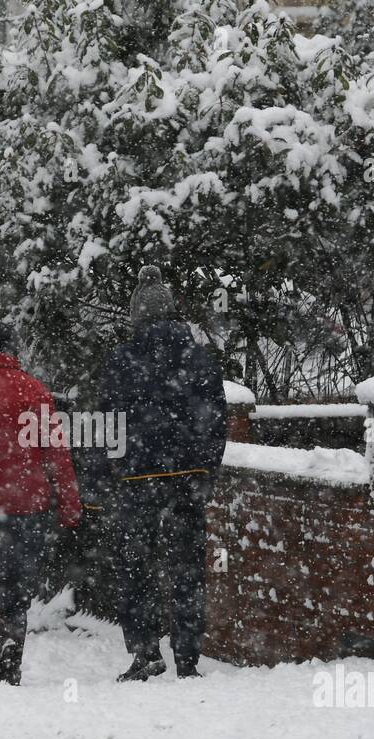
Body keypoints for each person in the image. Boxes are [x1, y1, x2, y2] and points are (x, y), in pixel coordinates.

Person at [98, 265, 227, 681]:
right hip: (188, 479)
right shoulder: (201, 358)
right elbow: (216, 421)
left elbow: (109, 425)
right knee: (187, 569)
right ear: (172, 313)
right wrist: (206, 469)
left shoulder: (121, 360)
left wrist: (113, 473)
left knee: (135, 569)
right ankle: (187, 656)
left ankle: (145, 651)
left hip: (137, 482)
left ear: (137, 316)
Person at [0, 322, 81, 684]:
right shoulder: (36, 391)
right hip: (29, 507)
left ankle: (0, 644)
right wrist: (70, 505)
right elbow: (56, 453)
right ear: (13, 349)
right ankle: (11, 656)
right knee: (17, 594)